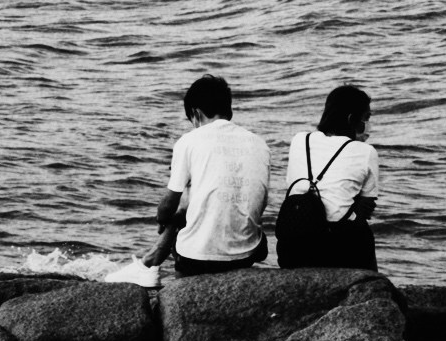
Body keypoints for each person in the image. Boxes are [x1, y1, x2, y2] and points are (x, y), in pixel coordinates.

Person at [146, 74, 270, 276]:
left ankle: (150, 264)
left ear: (195, 113)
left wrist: (163, 218)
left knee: (184, 203)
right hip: (247, 254)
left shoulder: (189, 141)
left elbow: (167, 206)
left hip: (196, 260)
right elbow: (261, 204)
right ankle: (150, 260)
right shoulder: (259, 144)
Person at [276, 85, 381, 270]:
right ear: (351, 119)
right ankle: (369, 283)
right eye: (366, 118)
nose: (368, 125)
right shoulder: (366, 151)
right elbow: (366, 207)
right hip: (334, 250)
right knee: (363, 231)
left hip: (293, 245)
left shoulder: (300, 140)